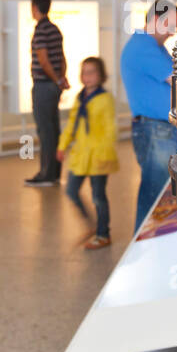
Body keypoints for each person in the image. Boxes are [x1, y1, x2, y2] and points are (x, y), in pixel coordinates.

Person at [119, 0, 177, 230]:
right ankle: (142, 251)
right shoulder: (144, 47)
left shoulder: (154, 47)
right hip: (157, 131)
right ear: (156, 20)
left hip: (161, 130)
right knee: (156, 196)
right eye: (171, 27)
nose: (172, 33)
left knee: (162, 197)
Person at [56, 57, 119, 250]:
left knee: (98, 196)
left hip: (99, 155)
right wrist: (62, 145)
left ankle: (103, 234)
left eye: (92, 72)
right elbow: (72, 125)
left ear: (101, 75)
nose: (88, 76)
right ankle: (92, 224)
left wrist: (105, 152)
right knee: (71, 190)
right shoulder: (80, 97)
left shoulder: (105, 98)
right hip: (82, 155)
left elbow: (110, 129)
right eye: (84, 72)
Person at [25, 0, 68, 187]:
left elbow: (43, 60)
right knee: (53, 130)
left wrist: (56, 80)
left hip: (44, 86)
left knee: (46, 131)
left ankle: (46, 174)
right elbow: (61, 58)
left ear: (35, 7)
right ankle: (54, 172)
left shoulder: (41, 30)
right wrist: (60, 79)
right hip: (52, 86)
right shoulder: (54, 29)